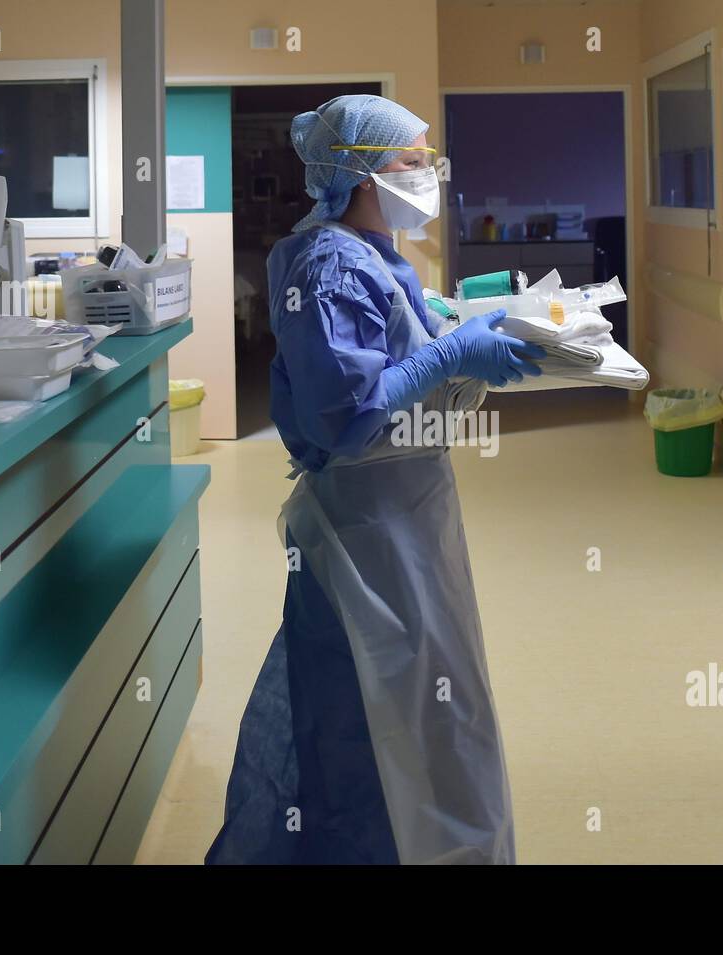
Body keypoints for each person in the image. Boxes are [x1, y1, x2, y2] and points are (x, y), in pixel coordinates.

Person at [205, 94, 543, 865]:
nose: (428, 176)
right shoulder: (329, 264)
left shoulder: (374, 251)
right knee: (377, 713)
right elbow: (344, 418)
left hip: (408, 517)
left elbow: (387, 341)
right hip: (367, 532)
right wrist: (450, 355)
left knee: (425, 703)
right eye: (412, 164)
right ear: (359, 174)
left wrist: (453, 322)